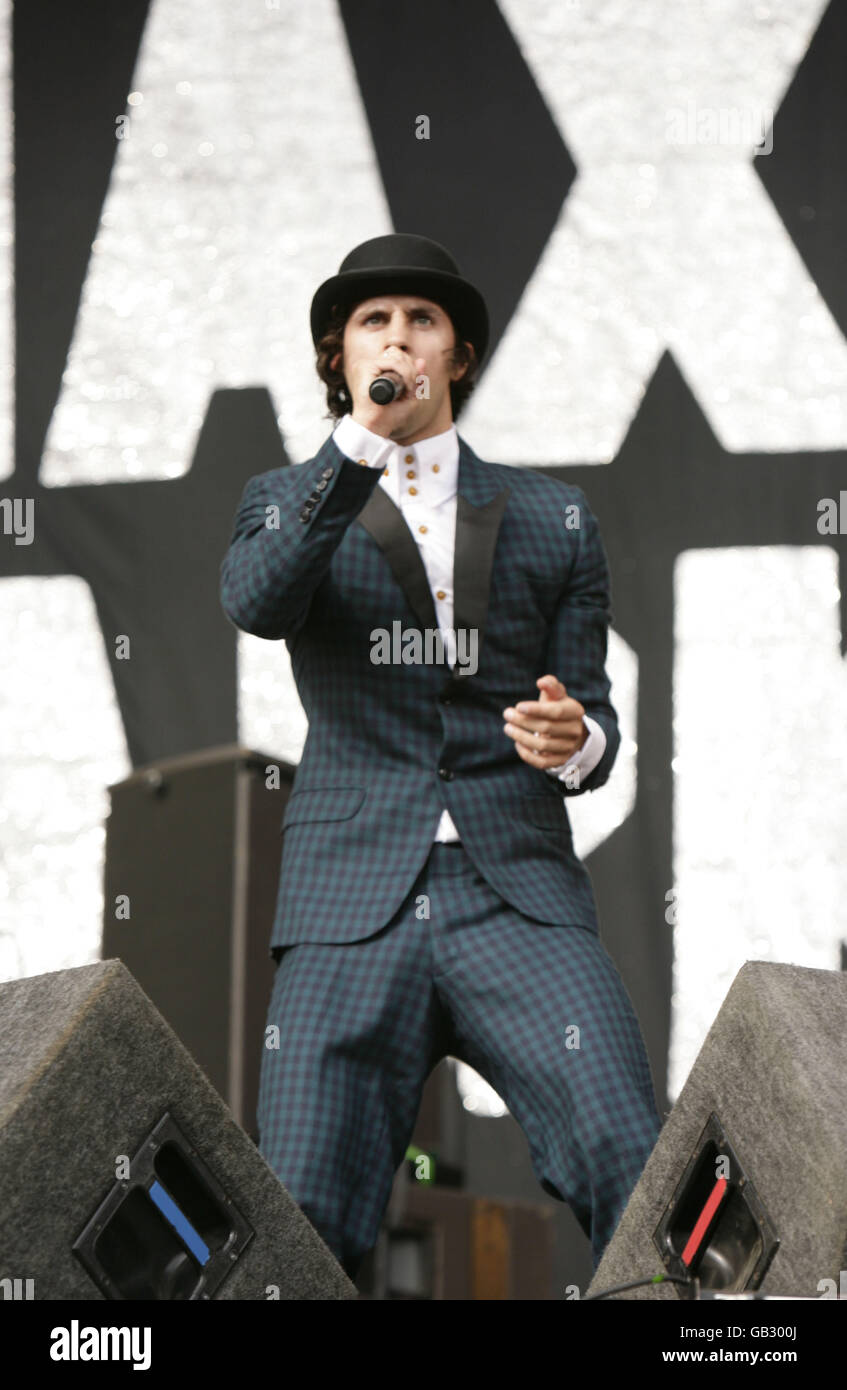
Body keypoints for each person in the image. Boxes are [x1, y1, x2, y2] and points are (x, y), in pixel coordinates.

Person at [219, 232, 662, 1286]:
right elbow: (257, 599)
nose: (399, 338)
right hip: (346, 905)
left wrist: (576, 740)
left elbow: (590, 722)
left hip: (514, 895)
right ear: (340, 357)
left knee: (628, 1155)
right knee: (299, 1214)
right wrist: (358, 446)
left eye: (422, 320)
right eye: (375, 322)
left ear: (459, 354)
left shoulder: (553, 516)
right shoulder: (284, 496)